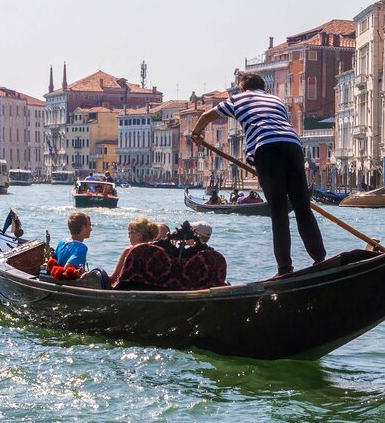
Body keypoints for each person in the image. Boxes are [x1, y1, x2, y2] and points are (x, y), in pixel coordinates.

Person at [191, 73, 326, 276]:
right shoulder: (276, 100)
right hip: (293, 145)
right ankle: (319, 259)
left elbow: (206, 116)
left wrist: (196, 133)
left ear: (243, 88)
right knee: (302, 208)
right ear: (264, 87)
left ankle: (284, 268)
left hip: (266, 148)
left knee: (279, 212)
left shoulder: (237, 99)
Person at [110, 218, 159, 287]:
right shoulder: (158, 251)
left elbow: (114, 278)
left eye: (130, 233)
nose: (128, 236)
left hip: (126, 290)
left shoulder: (128, 251)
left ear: (139, 235)